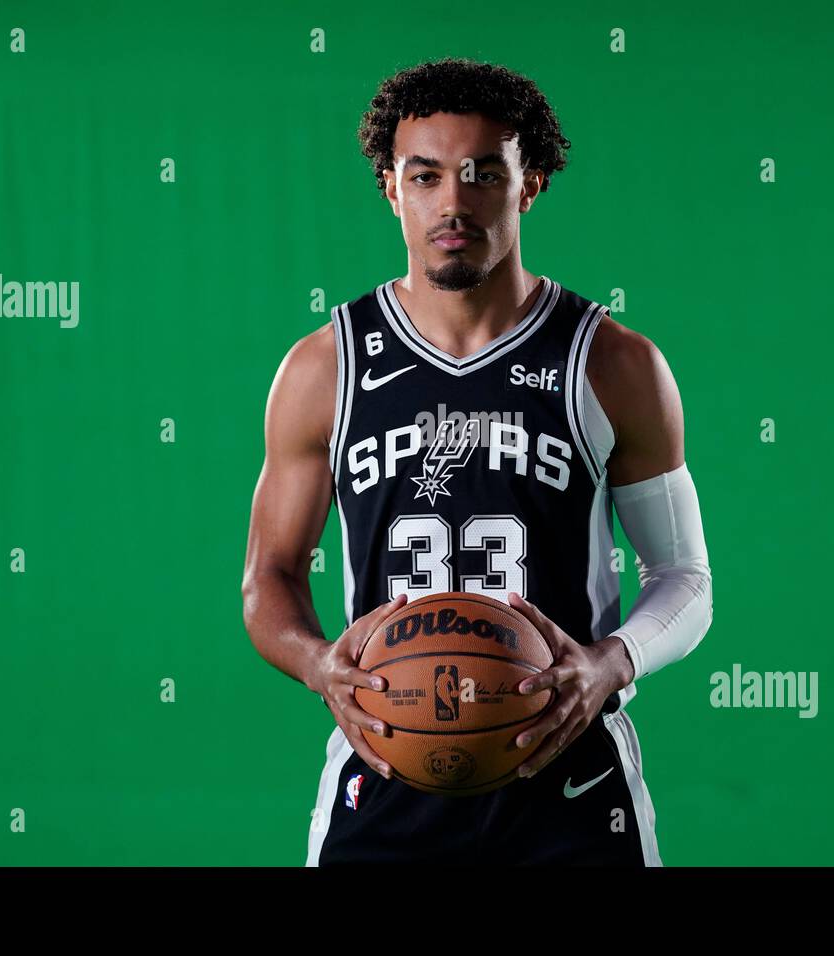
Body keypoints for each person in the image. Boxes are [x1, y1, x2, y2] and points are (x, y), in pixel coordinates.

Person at [242, 58, 713, 865]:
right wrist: (324, 667)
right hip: (385, 776)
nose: (453, 202)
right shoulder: (327, 367)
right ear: (391, 187)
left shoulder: (612, 362)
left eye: (483, 174)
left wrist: (609, 664)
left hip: (571, 786)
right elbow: (269, 579)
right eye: (425, 176)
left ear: (529, 185)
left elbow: (686, 580)